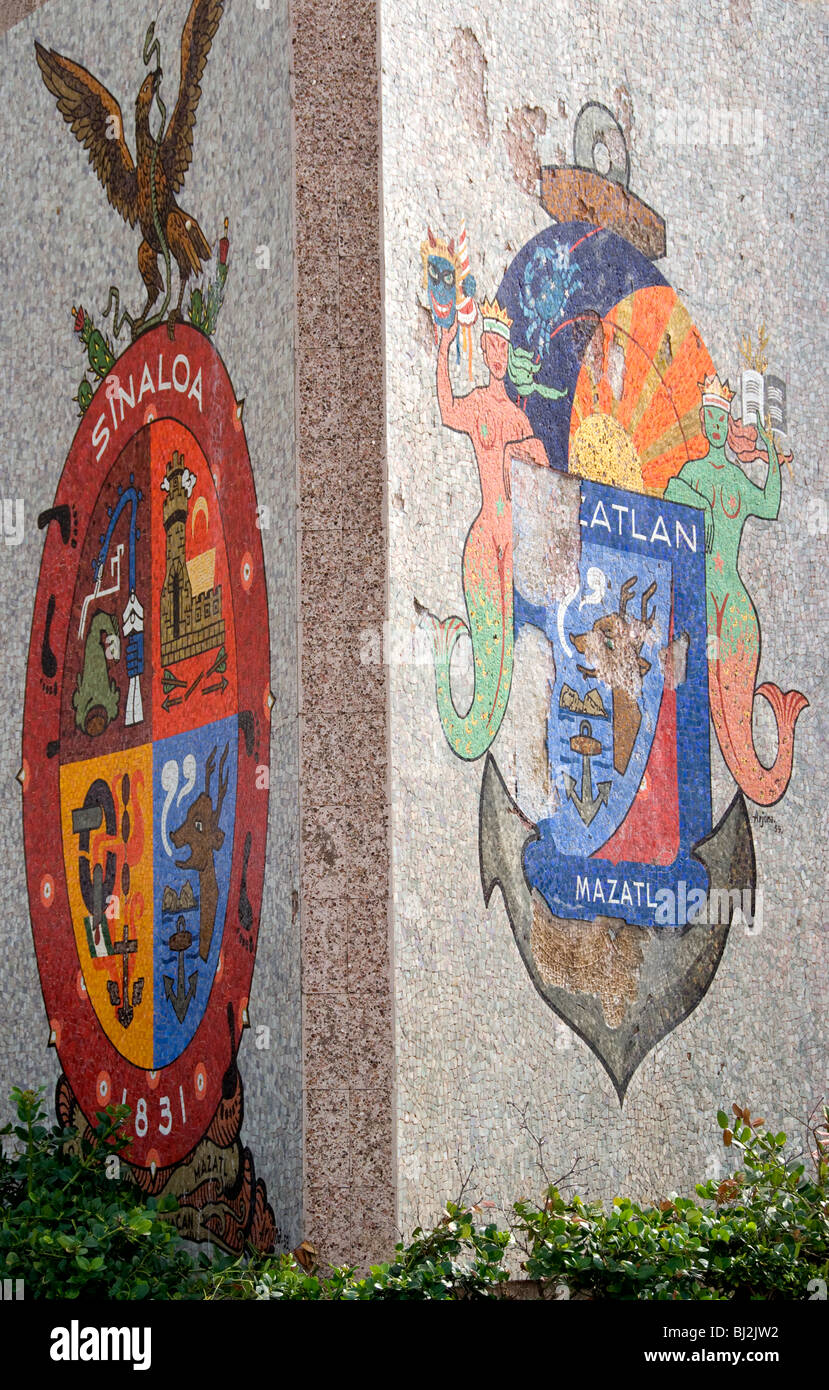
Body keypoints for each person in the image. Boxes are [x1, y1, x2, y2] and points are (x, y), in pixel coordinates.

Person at [664, 374, 806, 804]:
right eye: (709, 419)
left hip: (736, 607)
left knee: (735, 718)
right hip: (703, 606)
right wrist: (698, 505)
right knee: (712, 710)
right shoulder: (691, 474)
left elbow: (770, 503)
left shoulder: (739, 480)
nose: (715, 426)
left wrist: (769, 451)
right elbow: (669, 493)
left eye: (721, 419)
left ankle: (770, 766)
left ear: (728, 425)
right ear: (703, 423)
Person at [417, 299, 549, 761]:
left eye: (502, 349)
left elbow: (540, 475)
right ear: (484, 350)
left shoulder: (520, 419)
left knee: (503, 659)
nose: (496, 357)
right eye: (490, 347)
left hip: (511, 542)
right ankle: (449, 673)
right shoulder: (477, 405)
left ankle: (480, 726)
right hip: (484, 534)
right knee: (489, 648)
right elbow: (446, 409)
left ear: (508, 356)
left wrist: (526, 450)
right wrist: (443, 349)